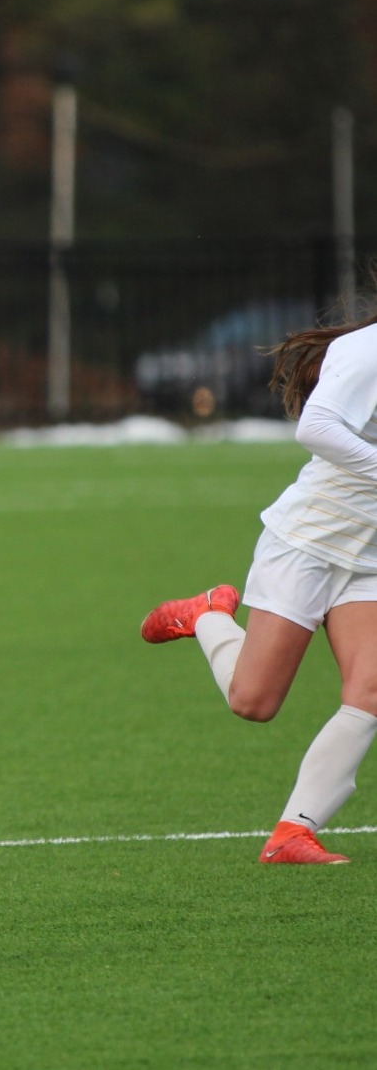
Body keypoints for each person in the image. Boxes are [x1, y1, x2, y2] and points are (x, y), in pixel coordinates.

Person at [140, 308, 377, 865]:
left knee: (370, 690)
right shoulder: (369, 349)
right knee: (254, 701)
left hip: (371, 553)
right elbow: (315, 428)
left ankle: (294, 831)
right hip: (308, 540)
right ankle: (206, 615)